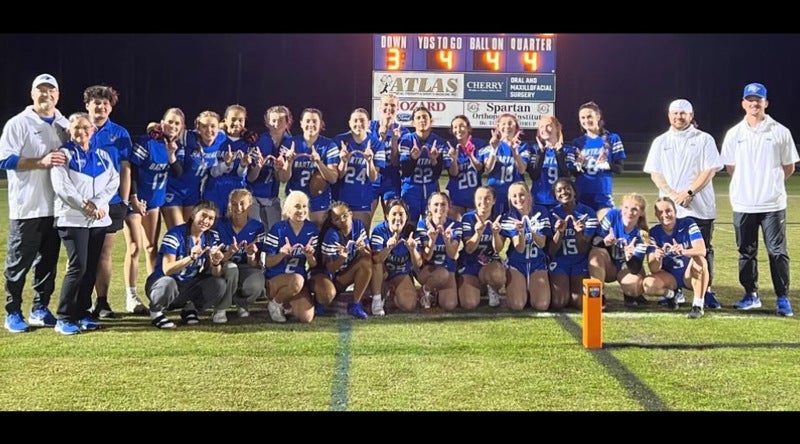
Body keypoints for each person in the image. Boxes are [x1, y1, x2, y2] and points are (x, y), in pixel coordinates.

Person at [720, 82, 799, 317]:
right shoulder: (734, 133)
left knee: (777, 252)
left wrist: (769, 184)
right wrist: (749, 185)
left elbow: (789, 167)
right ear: (743, 103)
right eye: (750, 99)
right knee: (746, 252)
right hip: (743, 203)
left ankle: (782, 297)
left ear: (766, 103)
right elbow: (730, 166)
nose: (754, 103)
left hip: (773, 204)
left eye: (758, 100)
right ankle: (750, 294)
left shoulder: (780, 131)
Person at [0, 73, 68, 333]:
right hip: (27, 206)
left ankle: (40, 308)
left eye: (51, 90)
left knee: (48, 263)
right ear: (32, 94)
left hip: (57, 207)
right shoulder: (18, 123)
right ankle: (13, 311)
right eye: (41, 90)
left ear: (58, 95)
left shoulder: (64, 122)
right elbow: (4, 160)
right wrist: (39, 162)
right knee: (19, 263)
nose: (46, 95)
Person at [643, 99, 724, 309]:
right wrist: (673, 195)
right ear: (669, 115)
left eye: (683, 114)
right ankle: (674, 291)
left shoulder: (704, 139)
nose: (678, 117)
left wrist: (689, 192)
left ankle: (706, 291)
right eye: (675, 113)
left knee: (702, 250)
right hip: (671, 209)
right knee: (670, 247)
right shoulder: (661, 141)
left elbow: (710, 170)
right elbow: (655, 173)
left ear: (691, 115)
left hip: (700, 207)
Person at [50, 112, 120, 334]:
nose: (81, 132)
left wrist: (98, 204)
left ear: (93, 130)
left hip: (98, 219)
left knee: (90, 268)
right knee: (78, 266)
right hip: (72, 218)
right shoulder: (63, 154)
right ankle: (64, 316)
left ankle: (82, 311)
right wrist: (84, 205)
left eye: (85, 127)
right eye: (76, 128)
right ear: (70, 131)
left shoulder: (102, 156)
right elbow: (62, 187)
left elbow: (113, 181)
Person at [123, 108, 184, 315]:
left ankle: (154, 290)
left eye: (177, 124)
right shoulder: (146, 142)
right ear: (162, 122)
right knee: (134, 247)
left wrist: (171, 154)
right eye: (170, 122)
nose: (173, 126)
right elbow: (131, 168)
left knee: (151, 248)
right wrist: (133, 197)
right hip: (136, 201)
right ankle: (130, 295)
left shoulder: (174, 146)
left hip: (155, 203)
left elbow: (178, 172)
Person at [82, 85, 134, 319]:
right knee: (81, 254)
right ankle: (80, 302)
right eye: (96, 103)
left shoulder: (120, 133)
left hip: (110, 202)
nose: (101, 107)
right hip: (81, 203)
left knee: (104, 252)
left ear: (111, 107)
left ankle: (102, 302)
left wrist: (123, 200)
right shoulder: (78, 129)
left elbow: (125, 169)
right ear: (87, 106)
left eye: (106, 103)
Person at [145, 201, 227, 329]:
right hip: (163, 284)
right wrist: (191, 258)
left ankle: (190, 309)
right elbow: (167, 270)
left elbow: (216, 274)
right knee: (168, 282)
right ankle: (156, 312)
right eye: (203, 216)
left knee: (219, 284)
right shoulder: (175, 235)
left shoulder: (212, 237)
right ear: (193, 215)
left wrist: (216, 262)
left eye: (211, 218)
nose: (206, 221)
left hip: (187, 285)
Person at [642, 197, 710, 319]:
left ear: (675, 211)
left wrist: (683, 251)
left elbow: (702, 251)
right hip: (670, 278)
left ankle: (698, 305)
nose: (665, 215)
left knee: (700, 261)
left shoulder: (688, 223)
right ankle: (671, 295)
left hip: (689, 275)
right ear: (656, 215)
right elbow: (654, 268)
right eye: (661, 212)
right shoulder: (653, 233)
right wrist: (658, 257)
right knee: (648, 284)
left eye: (668, 211)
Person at [261, 190, 319, 323]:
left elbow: (314, 265)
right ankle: (275, 304)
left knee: (307, 317)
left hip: (297, 283)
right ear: (288, 209)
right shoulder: (278, 229)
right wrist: (281, 254)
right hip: (276, 278)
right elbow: (268, 263)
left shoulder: (311, 230)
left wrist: (309, 256)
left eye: (304, 206)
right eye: (297, 206)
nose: (301, 210)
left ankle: (286, 305)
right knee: (297, 280)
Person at [163, 110, 225, 229]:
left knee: (189, 233)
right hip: (174, 190)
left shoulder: (221, 137)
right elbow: (169, 129)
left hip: (193, 193)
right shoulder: (188, 137)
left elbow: (234, 131)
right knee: (178, 232)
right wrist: (153, 127)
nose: (209, 130)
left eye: (213, 126)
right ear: (198, 128)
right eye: (204, 126)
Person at [311, 201, 372, 320]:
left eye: (345, 215)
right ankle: (319, 299)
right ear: (333, 222)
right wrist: (342, 257)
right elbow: (329, 268)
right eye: (337, 219)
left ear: (351, 213)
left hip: (342, 276)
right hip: (326, 275)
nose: (343, 220)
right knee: (327, 295)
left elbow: (369, 255)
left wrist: (362, 250)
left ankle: (355, 304)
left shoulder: (358, 226)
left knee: (366, 263)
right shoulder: (331, 235)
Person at [588, 193, 650, 309]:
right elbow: (594, 240)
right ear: (621, 208)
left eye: (634, 209)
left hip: (626, 268)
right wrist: (604, 242)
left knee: (634, 286)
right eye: (626, 208)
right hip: (609, 266)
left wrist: (629, 257)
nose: (629, 212)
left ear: (641, 213)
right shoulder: (613, 215)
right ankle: (598, 296)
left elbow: (635, 267)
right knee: (595, 253)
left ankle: (629, 294)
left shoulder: (643, 234)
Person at [279, 108, 339, 228]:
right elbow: (283, 178)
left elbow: (333, 178)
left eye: (314, 121)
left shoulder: (329, 145)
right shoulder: (290, 144)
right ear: (301, 123)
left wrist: (319, 163)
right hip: (295, 198)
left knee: (317, 238)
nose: (311, 124)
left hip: (319, 200)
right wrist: (289, 162)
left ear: (321, 124)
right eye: (307, 121)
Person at [214, 189, 266, 319]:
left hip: (245, 267)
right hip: (224, 268)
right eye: (234, 203)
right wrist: (229, 253)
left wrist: (250, 255)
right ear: (229, 206)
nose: (238, 208)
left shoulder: (258, 227)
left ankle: (241, 303)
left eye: (242, 203)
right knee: (231, 268)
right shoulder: (218, 225)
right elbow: (214, 262)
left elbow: (255, 264)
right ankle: (221, 308)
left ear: (250, 207)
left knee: (258, 281)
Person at [500, 181, 552, 311]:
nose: (518, 199)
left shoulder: (541, 212)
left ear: (529, 195)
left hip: (537, 262)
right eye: (514, 196)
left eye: (522, 194)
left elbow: (541, 244)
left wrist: (533, 231)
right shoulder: (509, 217)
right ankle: (519, 288)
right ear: (510, 199)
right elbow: (520, 248)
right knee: (517, 305)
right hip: (517, 263)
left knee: (541, 305)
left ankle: (531, 290)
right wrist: (521, 232)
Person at [547, 178, 598, 310]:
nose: (563, 192)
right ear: (555, 196)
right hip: (559, 261)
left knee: (580, 303)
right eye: (559, 190)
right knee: (558, 302)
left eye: (567, 188)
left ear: (574, 191)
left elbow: (582, 250)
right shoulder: (552, 214)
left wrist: (578, 232)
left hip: (579, 261)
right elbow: (551, 251)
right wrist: (559, 232)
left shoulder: (588, 213)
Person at [572, 101, 626, 222]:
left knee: (605, 231)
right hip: (582, 194)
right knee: (585, 233)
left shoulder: (612, 138)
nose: (586, 120)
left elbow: (620, 168)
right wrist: (578, 165)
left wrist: (605, 165)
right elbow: (574, 173)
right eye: (583, 118)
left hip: (603, 195)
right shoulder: (578, 142)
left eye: (589, 116)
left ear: (598, 116)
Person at [333, 108, 385, 232]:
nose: (358, 124)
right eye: (355, 120)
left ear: (369, 123)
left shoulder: (376, 144)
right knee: (340, 238)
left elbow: (373, 177)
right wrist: (344, 162)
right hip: (341, 197)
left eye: (362, 120)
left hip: (362, 198)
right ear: (350, 122)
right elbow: (338, 175)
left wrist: (369, 161)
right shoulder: (340, 140)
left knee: (361, 239)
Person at [369, 199, 423, 314]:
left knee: (409, 304)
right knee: (376, 266)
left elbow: (418, 264)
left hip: (400, 273)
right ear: (387, 216)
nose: (397, 218)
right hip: (381, 273)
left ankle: (391, 294)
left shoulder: (412, 233)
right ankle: (377, 301)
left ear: (407, 217)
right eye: (394, 214)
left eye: (401, 214)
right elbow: (376, 260)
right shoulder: (379, 230)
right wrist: (388, 248)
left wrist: (412, 250)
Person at [457, 186, 505, 309]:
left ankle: (492, 287)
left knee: (498, 275)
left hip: (488, 263)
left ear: (494, 200)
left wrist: (495, 233)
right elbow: (469, 249)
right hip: (469, 263)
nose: (483, 202)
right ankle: (481, 285)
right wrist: (478, 233)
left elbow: (498, 249)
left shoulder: (498, 219)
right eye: (479, 198)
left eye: (487, 198)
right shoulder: (468, 218)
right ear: (474, 200)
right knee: (469, 303)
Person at [203, 104, 254, 219]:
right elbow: (212, 172)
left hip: (236, 190)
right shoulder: (217, 138)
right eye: (233, 119)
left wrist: (243, 165)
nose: (236, 123)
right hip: (214, 189)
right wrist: (225, 164)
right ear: (225, 120)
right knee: (212, 225)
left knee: (233, 227)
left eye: (240, 120)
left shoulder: (247, 143)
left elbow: (241, 174)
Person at [399, 106, 448, 224]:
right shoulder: (406, 140)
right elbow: (405, 171)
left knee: (431, 224)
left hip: (431, 187)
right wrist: (413, 159)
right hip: (411, 188)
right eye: (418, 117)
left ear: (431, 121)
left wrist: (434, 161)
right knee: (409, 224)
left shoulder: (439, 142)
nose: (422, 120)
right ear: (413, 122)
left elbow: (437, 174)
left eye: (425, 117)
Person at [248, 105, 292, 233]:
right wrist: (258, 166)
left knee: (275, 235)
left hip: (274, 197)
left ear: (287, 122)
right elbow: (250, 177)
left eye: (281, 120)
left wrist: (281, 168)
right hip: (254, 195)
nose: (276, 124)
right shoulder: (259, 142)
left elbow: (283, 179)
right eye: (273, 120)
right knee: (255, 235)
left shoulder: (290, 144)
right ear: (266, 121)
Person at [414, 192, 461, 310]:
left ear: (449, 206)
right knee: (442, 274)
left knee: (449, 304)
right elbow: (427, 257)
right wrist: (432, 240)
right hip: (428, 270)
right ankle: (425, 290)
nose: (439, 208)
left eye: (443, 204)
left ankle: (434, 293)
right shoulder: (423, 224)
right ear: (429, 207)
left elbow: (452, 254)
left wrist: (446, 240)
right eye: (436, 204)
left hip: (448, 267)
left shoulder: (455, 225)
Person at [479, 113, 530, 216]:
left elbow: (522, 170)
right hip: (497, 192)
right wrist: (494, 149)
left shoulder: (523, 146)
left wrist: (515, 151)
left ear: (516, 127)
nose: (507, 126)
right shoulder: (491, 145)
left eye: (510, 123)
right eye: (503, 124)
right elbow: (487, 169)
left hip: (517, 195)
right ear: (498, 127)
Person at [370, 93, 409, 218]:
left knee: (392, 217)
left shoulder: (403, 131)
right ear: (379, 107)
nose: (389, 108)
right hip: (372, 178)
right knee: (366, 218)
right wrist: (380, 138)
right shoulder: (370, 127)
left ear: (397, 109)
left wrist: (394, 142)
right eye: (386, 104)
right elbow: (369, 156)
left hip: (391, 179)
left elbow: (396, 162)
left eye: (392, 105)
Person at [528, 115, 576, 211]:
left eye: (548, 125)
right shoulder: (534, 149)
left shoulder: (568, 150)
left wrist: (559, 153)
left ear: (557, 128)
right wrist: (541, 153)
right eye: (541, 127)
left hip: (560, 200)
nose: (544, 129)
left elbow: (567, 175)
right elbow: (534, 175)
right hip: (538, 200)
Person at [445, 115, 485, 220]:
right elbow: (453, 173)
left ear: (468, 128)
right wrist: (454, 159)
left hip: (474, 196)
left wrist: (470, 155)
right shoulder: (449, 146)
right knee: (456, 230)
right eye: (455, 127)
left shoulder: (479, 144)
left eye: (462, 126)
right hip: (457, 196)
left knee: (473, 230)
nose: (458, 129)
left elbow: (479, 168)